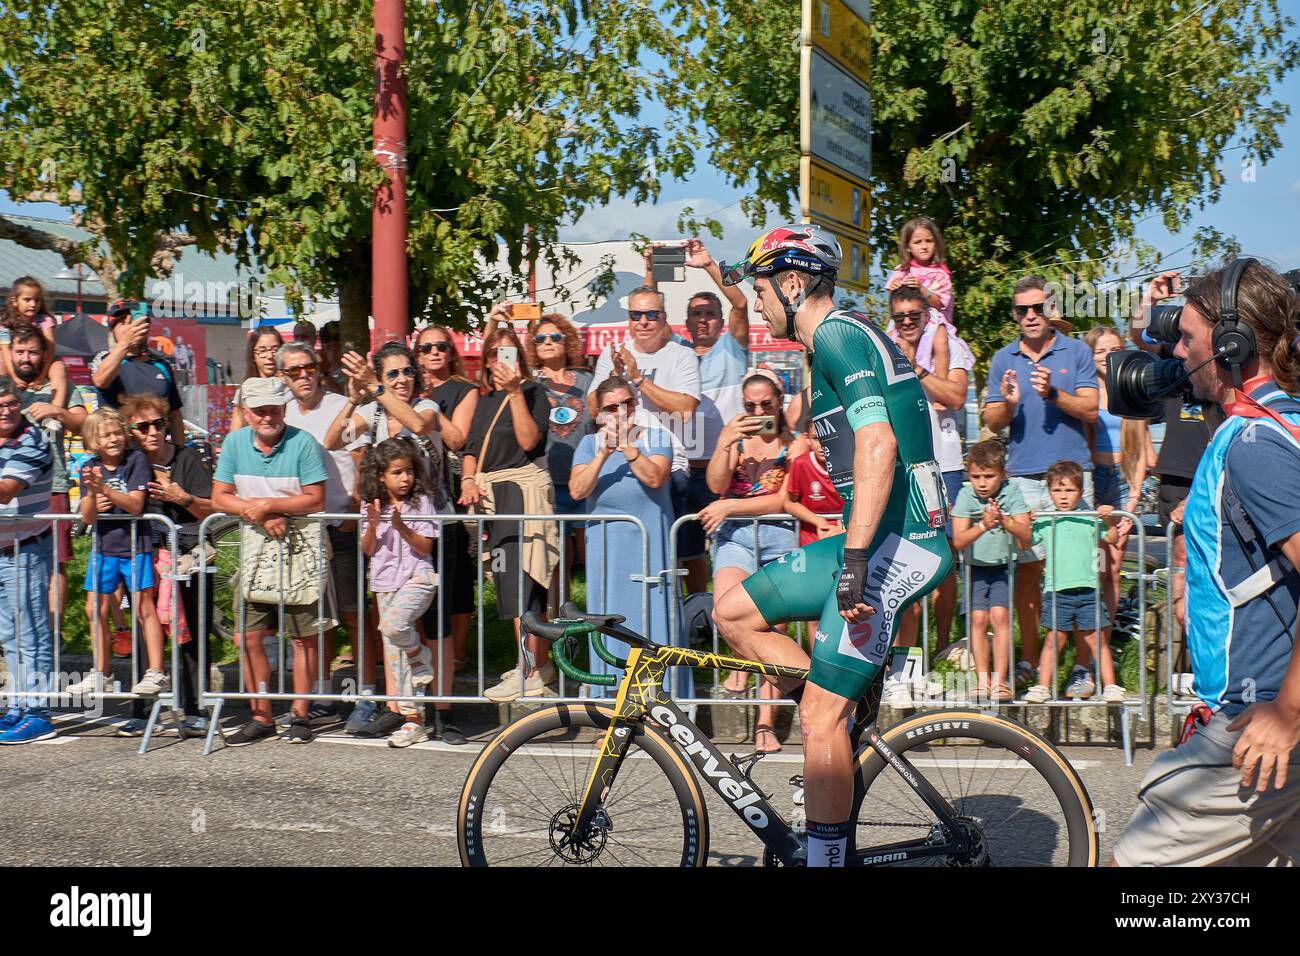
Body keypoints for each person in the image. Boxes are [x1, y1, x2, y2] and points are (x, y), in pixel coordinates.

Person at [713, 224, 952, 867]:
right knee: (732, 612)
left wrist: (852, 562)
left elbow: (880, 443)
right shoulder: (828, 346)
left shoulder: (838, 336)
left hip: (902, 544)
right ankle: (837, 714)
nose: (758, 304)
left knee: (817, 717)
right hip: (872, 536)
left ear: (793, 283)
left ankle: (825, 856)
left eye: (760, 288)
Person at [1113, 260, 1300, 867]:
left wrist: (1286, 713)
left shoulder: (1254, 448)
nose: (1177, 351)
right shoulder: (1275, 421)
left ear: (1230, 345)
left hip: (1258, 726)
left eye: (1188, 338)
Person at [982, 276, 1098, 686]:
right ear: (1014, 314)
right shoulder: (1003, 358)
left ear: (1050, 309)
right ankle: (1030, 664)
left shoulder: (1077, 351)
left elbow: (1090, 409)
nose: (1030, 316)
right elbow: (990, 418)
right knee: (1030, 575)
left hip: (1070, 478)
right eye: (1021, 310)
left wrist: (1052, 394)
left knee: (1078, 573)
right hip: (1025, 479)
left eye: (1037, 308)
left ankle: (1082, 669)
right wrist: (1009, 405)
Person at [210, 376, 333, 746]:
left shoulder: (304, 443)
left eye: (274, 410)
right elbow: (219, 497)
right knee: (247, 635)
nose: (268, 417)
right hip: (254, 548)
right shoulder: (234, 443)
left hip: (302, 547)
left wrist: (272, 506)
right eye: (260, 410)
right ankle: (261, 714)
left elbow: (315, 499)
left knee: (304, 637)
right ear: (246, 413)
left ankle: (300, 713)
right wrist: (261, 511)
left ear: (285, 409)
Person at [702, 370, 803, 750]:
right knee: (725, 608)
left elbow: (784, 500)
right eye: (750, 406)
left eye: (766, 404)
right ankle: (740, 664)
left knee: (770, 628)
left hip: (779, 535)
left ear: (780, 402)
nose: (759, 411)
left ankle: (765, 720)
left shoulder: (794, 445)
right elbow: (715, 485)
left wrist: (732, 504)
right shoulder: (738, 441)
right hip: (737, 539)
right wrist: (726, 441)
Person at [644, 238, 750, 595]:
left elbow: (740, 301)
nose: (703, 319)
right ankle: (699, 619)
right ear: (686, 321)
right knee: (688, 555)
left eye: (709, 313)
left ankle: (730, 617)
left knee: (730, 553)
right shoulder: (675, 352)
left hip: (726, 473)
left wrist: (707, 264)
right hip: (683, 470)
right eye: (696, 314)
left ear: (720, 320)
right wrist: (650, 270)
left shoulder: (732, 347)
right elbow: (650, 314)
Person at [460, 326, 559, 703]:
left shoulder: (533, 392)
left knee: (525, 582)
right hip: (493, 496)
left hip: (522, 494)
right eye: (496, 354)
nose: (503, 362)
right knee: (508, 584)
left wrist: (516, 391)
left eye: (510, 353)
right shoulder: (484, 400)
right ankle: (532, 664)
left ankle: (531, 668)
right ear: (486, 361)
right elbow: (471, 447)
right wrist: (468, 478)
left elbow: (529, 440)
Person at [885, 285, 974, 700]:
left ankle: (940, 645)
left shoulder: (949, 344)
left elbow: (955, 395)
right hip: (903, 466)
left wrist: (918, 371)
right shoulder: (883, 345)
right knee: (907, 562)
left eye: (913, 315)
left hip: (944, 465)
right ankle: (905, 664)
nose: (906, 321)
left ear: (926, 314)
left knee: (943, 559)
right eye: (900, 314)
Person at [277, 341, 372, 729]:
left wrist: (352, 511)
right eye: (294, 371)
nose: (303, 376)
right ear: (283, 376)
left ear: (319, 368)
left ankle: (366, 694)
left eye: (308, 368)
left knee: (353, 615)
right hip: (301, 531)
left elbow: (363, 466)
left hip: (340, 525)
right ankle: (322, 692)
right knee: (314, 620)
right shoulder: (279, 412)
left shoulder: (340, 406)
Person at [569, 376, 675, 694]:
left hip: (649, 550)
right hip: (607, 553)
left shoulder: (656, 437)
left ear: (636, 406)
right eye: (611, 407)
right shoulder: (588, 445)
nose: (620, 411)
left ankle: (661, 707)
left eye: (626, 403)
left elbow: (655, 477)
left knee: (653, 627)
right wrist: (603, 453)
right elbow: (577, 489)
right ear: (599, 413)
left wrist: (626, 446)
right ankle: (611, 710)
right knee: (609, 628)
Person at [123, 394, 216, 737]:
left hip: (188, 556)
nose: (152, 432)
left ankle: (195, 708)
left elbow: (212, 508)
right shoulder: (130, 463)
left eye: (158, 424)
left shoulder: (187, 457)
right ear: (131, 431)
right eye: (143, 426)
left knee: (190, 632)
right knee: (143, 632)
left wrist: (183, 498)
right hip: (144, 557)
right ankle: (142, 711)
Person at [66, 408, 170, 700]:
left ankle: (155, 672)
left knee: (142, 607)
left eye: (116, 433)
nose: (112, 439)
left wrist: (107, 492)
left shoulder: (135, 461)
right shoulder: (91, 466)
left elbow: (136, 505)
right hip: (103, 548)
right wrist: (91, 496)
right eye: (105, 435)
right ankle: (101, 673)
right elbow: (87, 517)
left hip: (135, 546)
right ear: (93, 441)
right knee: (94, 609)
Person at [414, 324, 478, 737]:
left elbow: (459, 440)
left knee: (452, 600)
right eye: (426, 347)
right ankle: (410, 704)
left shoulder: (460, 390)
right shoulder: (404, 389)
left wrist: (431, 413)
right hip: (406, 513)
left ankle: (447, 696)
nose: (435, 352)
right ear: (416, 355)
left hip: (448, 504)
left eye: (441, 346)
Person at [359, 437, 443, 748]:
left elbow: (425, 546)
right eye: (397, 472)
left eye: (408, 471)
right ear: (381, 475)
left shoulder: (421, 502)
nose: (405, 478)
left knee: (392, 625)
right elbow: (368, 549)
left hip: (418, 578)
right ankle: (413, 720)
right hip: (384, 582)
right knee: (394, 658)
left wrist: (401, 526)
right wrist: (371, 524)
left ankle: (420, 653)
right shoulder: (371, 503)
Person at [1022, 460, 1124, 704]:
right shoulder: (1046, 519)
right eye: (1057, 490)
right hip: (1057, 591)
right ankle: (1042, 686)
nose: (1063, 496)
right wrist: (1026, 520)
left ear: (1080, 491)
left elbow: (1111, 538)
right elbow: (1025, 542)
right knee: (1054, 639)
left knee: (1096, 640)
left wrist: (1109, 519)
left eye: (1069, 490)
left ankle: (1110, 685)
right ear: (1049, 493)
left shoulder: (1090, 517)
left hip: (1088, 589)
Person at [10, 324, 87, 631]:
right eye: (20, 351)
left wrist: (56, 411)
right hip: (7, 487)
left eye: (32, 351)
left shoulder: (60, 387)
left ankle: (52, 634)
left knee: (55, 563)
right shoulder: (5, 387)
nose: (26, 358)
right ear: (10, 353)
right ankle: (10, 632)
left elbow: (83, 422)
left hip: (52, 483)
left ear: (43, 353)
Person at [950, 440, 1031, 703]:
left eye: (989, 476)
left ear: (1003, 474)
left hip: (1003, 567)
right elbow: (959, 540)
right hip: (975, 568)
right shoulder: (965, 495)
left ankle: (1000, 680)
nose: (982, 483)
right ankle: (982, 679)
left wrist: (1005, 521)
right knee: (976, 620)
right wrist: (983, 526)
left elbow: (1025, 535)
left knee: (999, 616)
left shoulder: (1012, 492)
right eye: (976, 477)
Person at [1084, 325, 1155, 621]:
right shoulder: (1084, 391)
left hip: (1123, 482)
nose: (1107, 356)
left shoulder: (1130, 388)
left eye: (1113, 350)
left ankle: (1106, 637)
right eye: (1100, 351)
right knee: (1091, 565)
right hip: (1092, 480)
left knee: (1112, 567)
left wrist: (1134, 497)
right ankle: (1087, 636)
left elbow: (1139, 447)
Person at [0, 376, 57, 744]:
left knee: (32, 633)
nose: (5, 411)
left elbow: (6, 491)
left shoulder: (33, 441)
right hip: (2, 551)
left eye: (11, 404)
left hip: (27, 548)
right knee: (8, 635)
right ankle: (19, 704)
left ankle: (39, 713)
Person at [520, 307, 593, 559]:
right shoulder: (529, 384)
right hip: (547, 479)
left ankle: (594, 599)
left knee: (589, 552)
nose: (548, 342)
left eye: (554, 337)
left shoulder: (586, 380)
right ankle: (563, 601)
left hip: (585, 477)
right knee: (557, 554)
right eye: (540, 339)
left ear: (567, 341)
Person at [781, 422, 845, 663]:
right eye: (817, 438)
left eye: (827, 438)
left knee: (845, 609)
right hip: (812, 548)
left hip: (844, 545)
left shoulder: (848, 462)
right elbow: (789, 502)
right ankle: (817, 666)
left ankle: (842, 666)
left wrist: (843, 526)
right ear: (807, 438)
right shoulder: (800, 465)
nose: (822, 445)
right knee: (815, 614)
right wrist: (818, 521)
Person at [91, 300, 185, 443]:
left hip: (155, 451)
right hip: (121, 455)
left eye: (135, 321)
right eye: (123, 323)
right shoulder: (104, 360)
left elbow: (175, 415)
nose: (131, 328)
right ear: (112, 331)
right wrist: (125, 344)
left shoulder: (161, 365)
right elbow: (100, 380)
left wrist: (180, 451)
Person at [884, 217, 954, 329]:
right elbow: (894, 302)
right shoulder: (902, 271)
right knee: (889, 338)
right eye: (917, 242)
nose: (924, 247)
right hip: (906, 321)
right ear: (908, 247)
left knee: (941, 342)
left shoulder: (941, 275)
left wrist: (921, 289)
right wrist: (894, 289)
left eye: (929, 241)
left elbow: (939, 304)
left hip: (933, 323)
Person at [1, 276, 65, 388]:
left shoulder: (45, 320)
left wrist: (41, 376)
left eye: (37, 300)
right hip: (14, 364)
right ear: (14, 301)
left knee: (59, 367)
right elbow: (5, 350)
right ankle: (4, 391)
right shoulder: (5, 323)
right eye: (27, 300)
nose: (33, 304)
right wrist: (14, 377)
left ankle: (56, 403)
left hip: (40, 364)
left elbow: (50, 350)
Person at [229, 326, 285, 431]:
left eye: (275, 350)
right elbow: (235, 434)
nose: (270, 356)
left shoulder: (289, 388)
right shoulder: (244, 392)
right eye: (262, 350)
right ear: (253, 355)